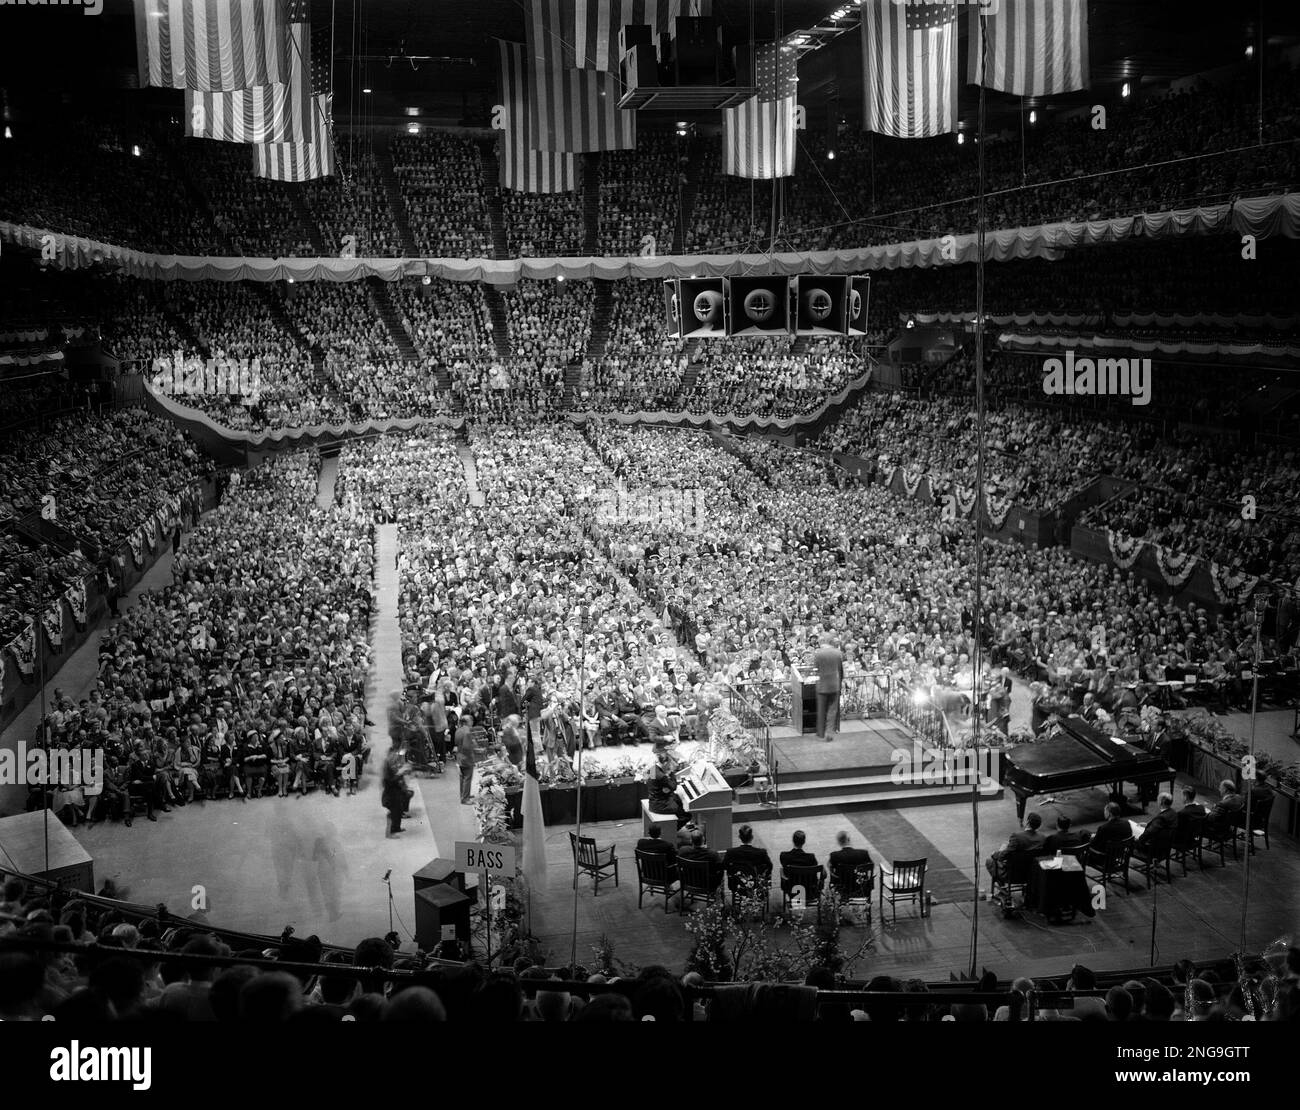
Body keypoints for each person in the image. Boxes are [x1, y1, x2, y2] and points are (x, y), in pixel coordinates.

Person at [985, 812, 1045, 882]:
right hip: (1032, 873)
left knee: (989, 861)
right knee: (1005, 844)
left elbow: (1004, 856)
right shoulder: (1042, 838)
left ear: (1027, 822)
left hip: (1013, 874)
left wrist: (995, 854)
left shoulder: (1017, 837)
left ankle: (1002, 888)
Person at [813, 634, 844, 741]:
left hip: (822, 685)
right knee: (832, 710)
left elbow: (815, 668)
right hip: (834, 685)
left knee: (821, 710)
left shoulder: (818, 653)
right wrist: (840, 682)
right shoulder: (837, 653)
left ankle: (821, 733)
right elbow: (840, 670)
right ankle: (830, 731)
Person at [826, 830, 873, 895]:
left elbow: (831, 869)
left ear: (839, 842)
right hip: (861, 887)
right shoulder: (864, 853)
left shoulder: (834, 856)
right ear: (849, 839)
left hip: (843, 888)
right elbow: (871, 866)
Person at [779, 830, 818, 895]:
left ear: (793, 841)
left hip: (791, 888)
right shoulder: (811, 857)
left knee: (781, 869)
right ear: (804, 842)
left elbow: (783, 867)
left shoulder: (784, 856)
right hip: (808, 888)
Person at [381, 743, 407, 838]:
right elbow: (390, 779)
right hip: (391, 790)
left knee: (399, 809)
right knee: (393, 811)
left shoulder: (393, 760)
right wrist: (401, 773)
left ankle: (397, 828)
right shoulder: (389, 762)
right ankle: (389, 833)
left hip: (396, 788)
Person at [455, 713, 476, 805]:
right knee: (467, 777)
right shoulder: (467, 732)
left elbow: (456, 742)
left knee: (462, 777)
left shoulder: (458, 730)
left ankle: (463, 794)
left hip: (459, 756)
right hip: (466, 757)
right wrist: (474, 747)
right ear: (469, 722)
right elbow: (467, 747)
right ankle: (465, 798)